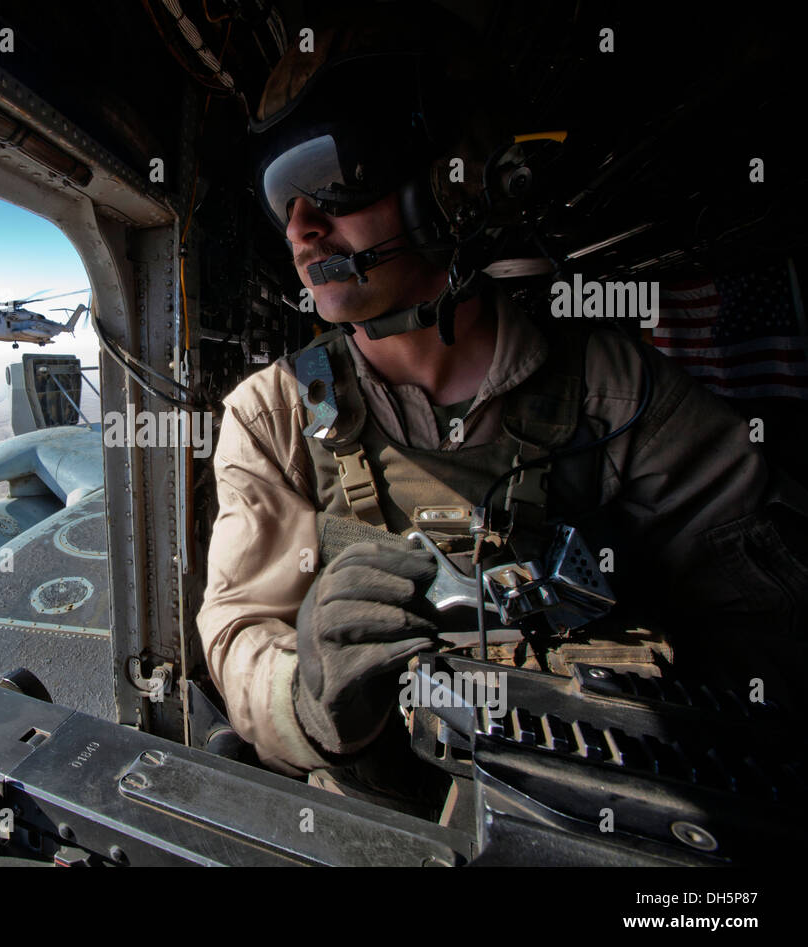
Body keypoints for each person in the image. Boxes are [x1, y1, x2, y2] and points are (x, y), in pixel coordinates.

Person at [195, 4, 808, 796]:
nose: (301, 227)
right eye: (282, 197)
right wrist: (305, 703)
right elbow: (239, 624)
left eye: (331, 178)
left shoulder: (620, 395)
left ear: (453, 183)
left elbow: (771, 624)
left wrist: (649, 706)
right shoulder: (270, 415)